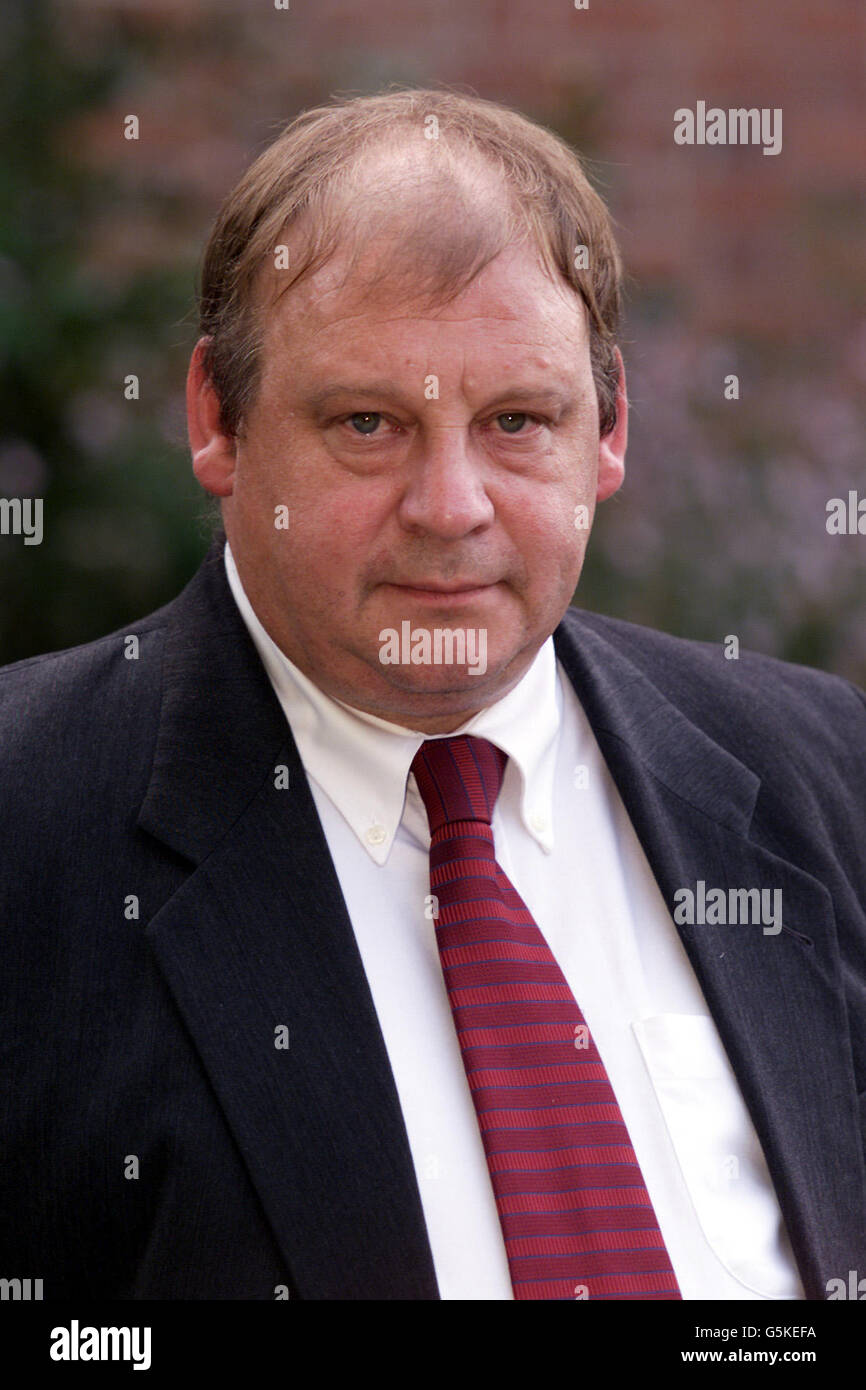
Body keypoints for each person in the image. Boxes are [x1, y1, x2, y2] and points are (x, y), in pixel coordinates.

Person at [2, 87, 864, 1302]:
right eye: (367, 423)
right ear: (216, 421)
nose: (449, 505)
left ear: (608, 429)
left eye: (517, 420)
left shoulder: (819, 772)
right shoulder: (27, 819)